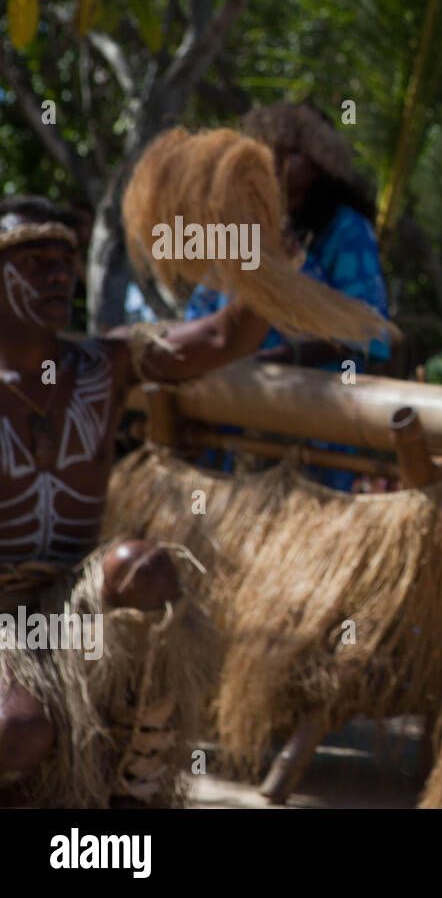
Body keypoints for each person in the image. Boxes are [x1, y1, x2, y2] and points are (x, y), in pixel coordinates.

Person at [0, 195, 271, 806]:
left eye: (64, 259)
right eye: (34, 258)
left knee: (144, 568)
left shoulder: (106, 362)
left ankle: (135, 789)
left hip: (73, 596)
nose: (56, 273)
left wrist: (264, 257)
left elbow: (227, 334)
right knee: (16, 734)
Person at [185, 103, 390, 489]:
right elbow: (200, 310)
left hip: (314, 423)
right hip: (231, 420)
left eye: (292, 152)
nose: (276, 162)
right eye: (267, 148)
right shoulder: (237, 225)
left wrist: (271, 358)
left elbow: (365, 332)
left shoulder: (347, 231)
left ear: (318, 165)